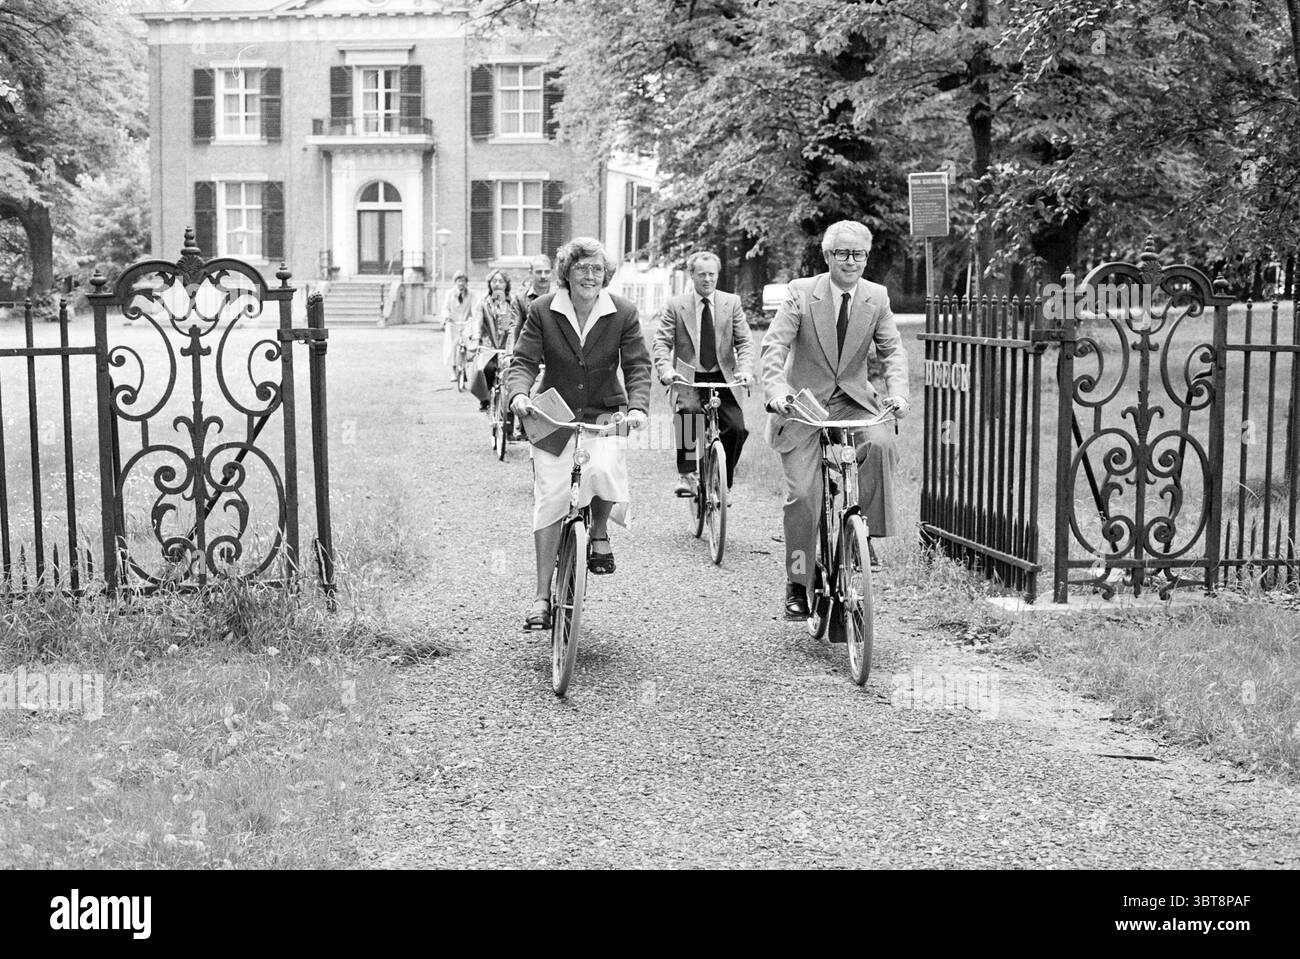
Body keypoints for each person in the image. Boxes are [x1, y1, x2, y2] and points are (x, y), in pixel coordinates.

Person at [760, 220, 910, 620]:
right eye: (841, 253)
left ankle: (863, 536)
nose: (850, 261)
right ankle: (797, 580)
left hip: (853, 400)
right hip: (803, 405)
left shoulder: (876, 296)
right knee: (805, 497)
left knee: (880, 443)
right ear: (827, 256)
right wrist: (776, 393)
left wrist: (898, 393)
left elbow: (892, 351)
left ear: (867, 257)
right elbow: (774, 346)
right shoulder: (801, 293)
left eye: (858, 254)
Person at [506, 237, 652, 629]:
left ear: (606, 274)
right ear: (566, 273)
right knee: (551, 497)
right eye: (581, 268)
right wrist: (520, 394)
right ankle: (541, 597)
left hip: (604, 412)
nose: (589, 275)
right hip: (553, 415)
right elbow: (523, 361)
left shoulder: (623, 312)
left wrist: (637, 406)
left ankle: (600, 532)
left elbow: (638, 365)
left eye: (596, 269)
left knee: (604, 469)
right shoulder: (542, 310)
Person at [652, 250, 755, 498]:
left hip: (723, 376)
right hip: (688, 377)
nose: (707, 279)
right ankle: (687, 475)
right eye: (701, 274)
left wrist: (745, 369)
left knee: (736, 428)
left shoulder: (732, 303)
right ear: (691, 275)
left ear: (718, 275)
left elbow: (745, 342)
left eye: (712, 274)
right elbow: (661, 343)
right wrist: (666, 370)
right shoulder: (676, 306)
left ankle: (723, 482)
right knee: (690, 413)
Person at [468, 269, 519, 411]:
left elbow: (515, 324)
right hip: (489, 348)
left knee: (513, 371)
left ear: (506, 284)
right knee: (487, 369)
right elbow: (476, 322)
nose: (497, 284)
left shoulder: (513, 302)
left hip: (508, 347)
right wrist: (475, 340)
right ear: (489, 284)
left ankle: (510, 401)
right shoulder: (483, 303)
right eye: (494, 281)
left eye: (501, 281)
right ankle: (485, 398)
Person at [511, 253, 554, 349]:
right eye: (539, 272)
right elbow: (514, 328)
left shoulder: (560, 297)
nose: (543, 276)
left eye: (547, 272)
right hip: (530, 353)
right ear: (530, 273)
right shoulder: (520, 299)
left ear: (552, 273)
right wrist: (509, 354)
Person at [440, 270, 474, 374]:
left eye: (463, 281)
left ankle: (464, 367)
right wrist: (446, 317)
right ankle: (454, 371)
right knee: (453, 346)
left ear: (466, 283)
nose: (461, 283)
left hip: (466, 323)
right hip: (453, 324)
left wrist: (472, 319)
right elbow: (445, 308)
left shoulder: (471, 294)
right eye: (459, 281)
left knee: (468, 344)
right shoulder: (449, 294)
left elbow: (474, 309)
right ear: (455, 282)